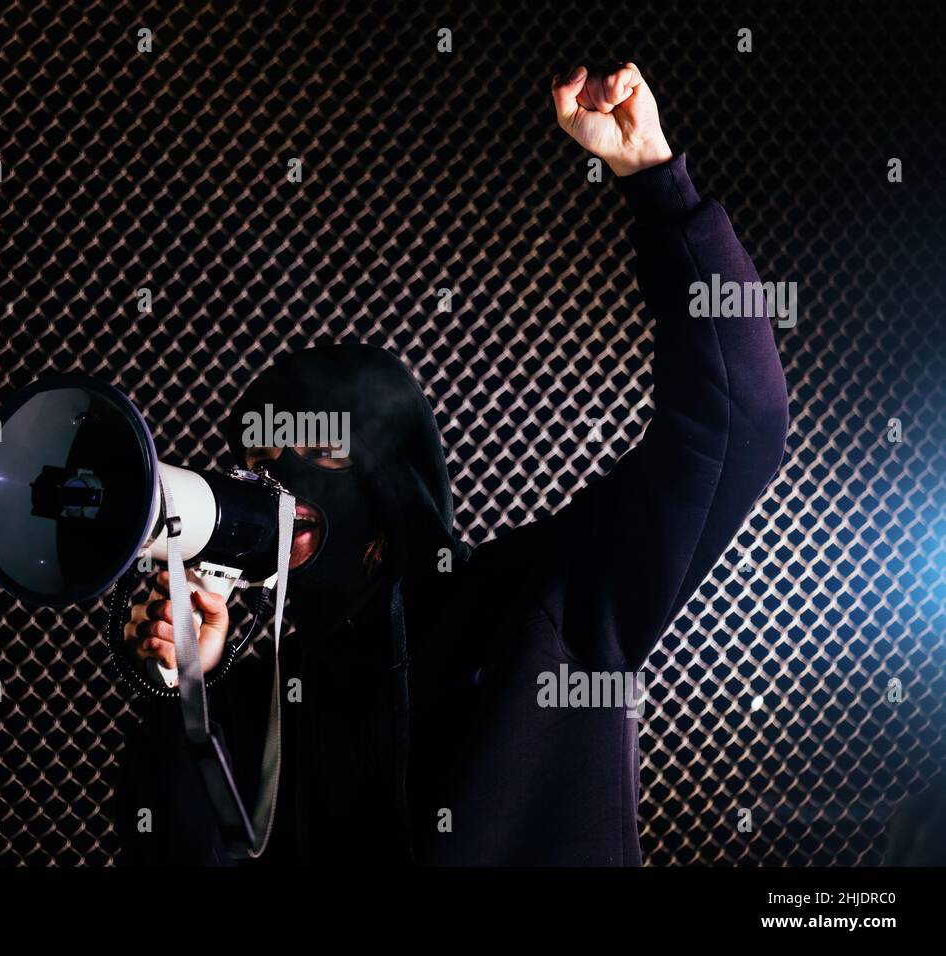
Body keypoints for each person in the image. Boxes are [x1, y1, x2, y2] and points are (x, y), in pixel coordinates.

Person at [113, 62, 789, 865]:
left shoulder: (543, 602)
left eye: (303, 452)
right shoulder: (264, 704)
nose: (273, 484)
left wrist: (658, 188)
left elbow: (738, 424)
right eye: (256, 462)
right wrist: (188, 684)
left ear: (386, 472)